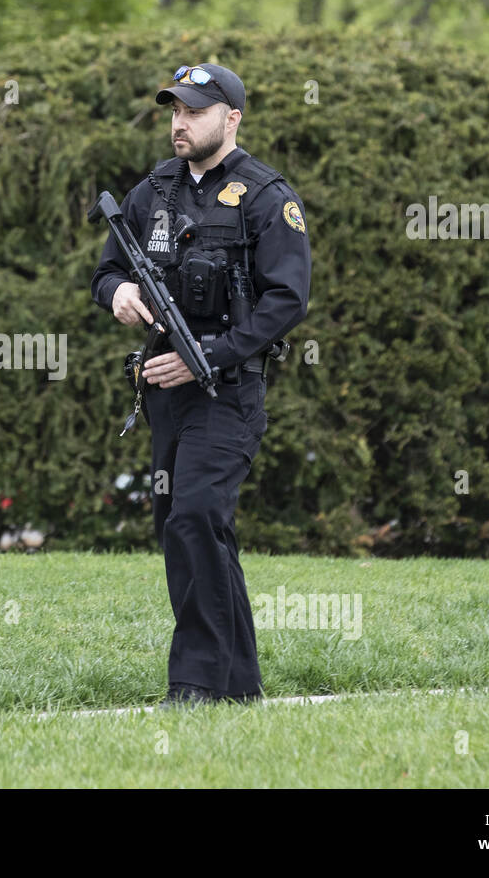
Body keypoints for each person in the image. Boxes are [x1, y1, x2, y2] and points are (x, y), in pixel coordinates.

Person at [91, 63, 311, 706]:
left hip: (229, 392)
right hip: (164, 390)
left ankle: (196, 683)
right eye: (174, 111)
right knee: (188, 524)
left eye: (193, 112)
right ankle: (238, 684)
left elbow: (287, 300)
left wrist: (208, 356)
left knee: (195, 516)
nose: (178, 123)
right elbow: (104, 271)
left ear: (232, 118)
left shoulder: (268, 196)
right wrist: (120, 293)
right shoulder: (152, 190)